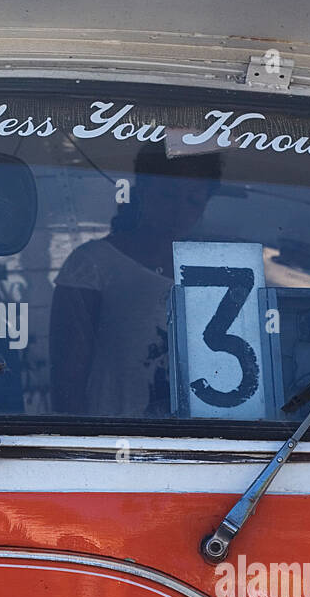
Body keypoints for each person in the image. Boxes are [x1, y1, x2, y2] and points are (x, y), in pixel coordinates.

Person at [50, 144, 222, 417]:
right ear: (143, 190)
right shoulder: (91, 264)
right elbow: (67, 382)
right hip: (110, 441)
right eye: (167, 195)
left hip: (201, 443)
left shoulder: (219, 269)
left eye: (193, 201)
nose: (178, 211)